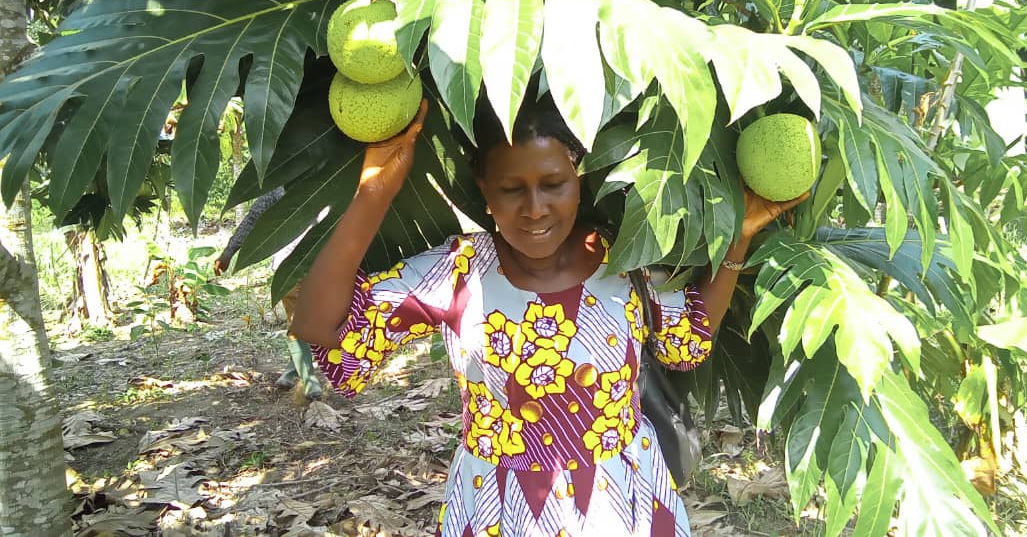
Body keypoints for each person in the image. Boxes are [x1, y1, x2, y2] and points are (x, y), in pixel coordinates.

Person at [292, 92, 805, 536]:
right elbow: (322, 330)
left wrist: (739, 236)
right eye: (513, 190)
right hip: (500, 508)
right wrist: (376, 189)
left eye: (553, 184)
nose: (535, 209)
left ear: (578, 177)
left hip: (625, 502)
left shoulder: (623, 259)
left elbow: (686, 343)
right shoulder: (457, 273)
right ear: (485, 190)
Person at [215, 187, 322, 401]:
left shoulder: (331, 176)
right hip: (289, 266)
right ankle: (309, 380)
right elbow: (253, 218)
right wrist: (229, 252)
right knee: (298, 320)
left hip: (322, 262)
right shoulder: (279, 188)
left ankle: (294, 370)